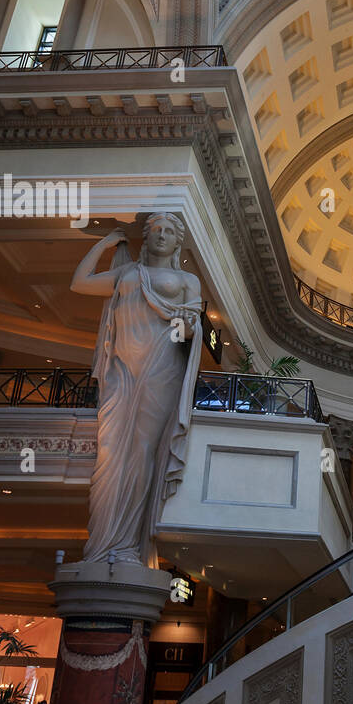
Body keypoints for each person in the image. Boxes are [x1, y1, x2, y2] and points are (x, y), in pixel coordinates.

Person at [70, 214, 202, 567]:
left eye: (170, 231)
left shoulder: (187, 280)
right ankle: (101, 542)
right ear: (145, 238)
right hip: (122, 371)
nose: (162, 234)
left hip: (162, 368)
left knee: (143, 449)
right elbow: (79, 284)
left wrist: (188, 326)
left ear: (178, 243)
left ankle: (128, 544)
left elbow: (191, 328)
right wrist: (105, 243)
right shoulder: (128, 275)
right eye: (156, 229)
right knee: (111, 449)